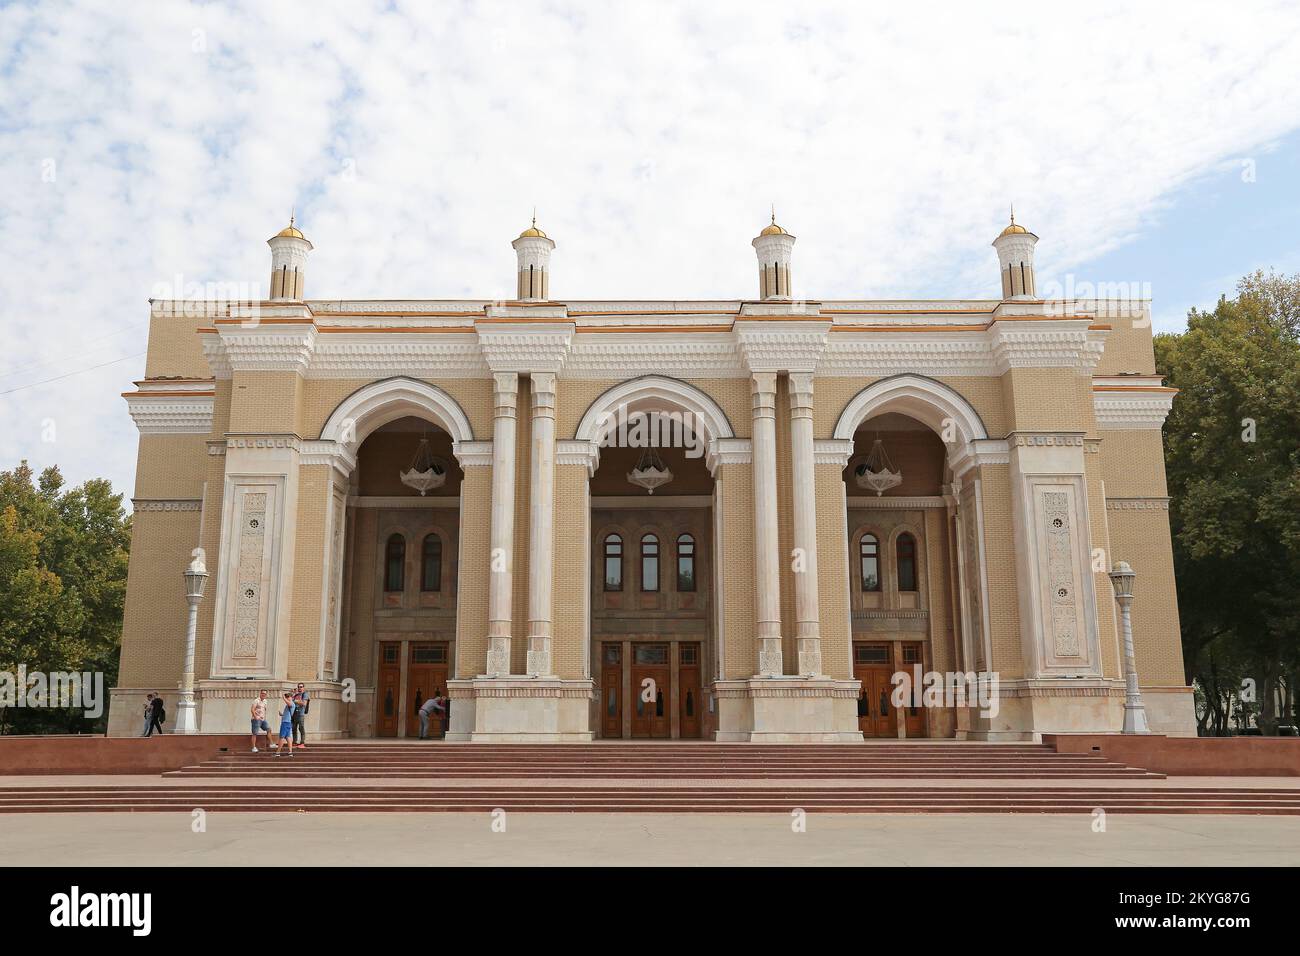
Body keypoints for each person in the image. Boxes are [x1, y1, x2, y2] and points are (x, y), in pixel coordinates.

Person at [275, 692, 296, 757]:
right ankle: (290, 752)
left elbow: (289, 704)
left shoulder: (291, 703)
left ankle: (278, 753)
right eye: (286, 697)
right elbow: (289, 713)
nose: (287, 698)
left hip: (285, 723)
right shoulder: (290, 704)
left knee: (281, 737)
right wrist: (282, 714)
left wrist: (283, 698)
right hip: (288, 722)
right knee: (288, 737)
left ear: (291, 697)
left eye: (288, 697)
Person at [292, 683, 310, 747]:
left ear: (303, 688)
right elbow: (291, 702)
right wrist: (293, 695)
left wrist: (295, 700)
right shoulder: (296, 695)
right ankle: (294, 741)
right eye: (299, 687)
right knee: (293, 728)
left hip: (301, 714)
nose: (300, 688)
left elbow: (304, 703)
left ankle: (302, 742)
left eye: (301, 687)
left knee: (301, 727)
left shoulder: (305, 694)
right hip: (294, 713)